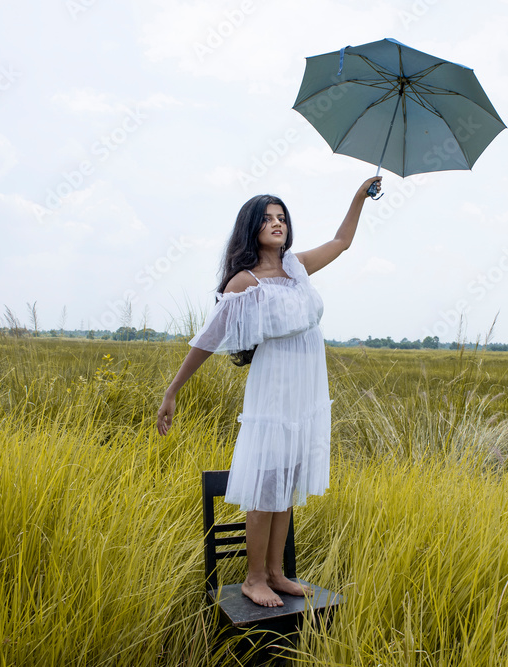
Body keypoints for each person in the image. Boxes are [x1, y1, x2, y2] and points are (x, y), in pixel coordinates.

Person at [156, 176, 381, 607]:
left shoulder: (297, 268)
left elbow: (341, 242)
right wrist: (173, 391)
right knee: (266, 481)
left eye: (282, 217)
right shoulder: (245, 282)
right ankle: (254, 577)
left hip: (306, 389)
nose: (277, 223)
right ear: (251, 227)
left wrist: (358, 197)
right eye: (267, 218)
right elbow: (208, 338)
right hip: (274, 387)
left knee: (288, 480)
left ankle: (277, 573)